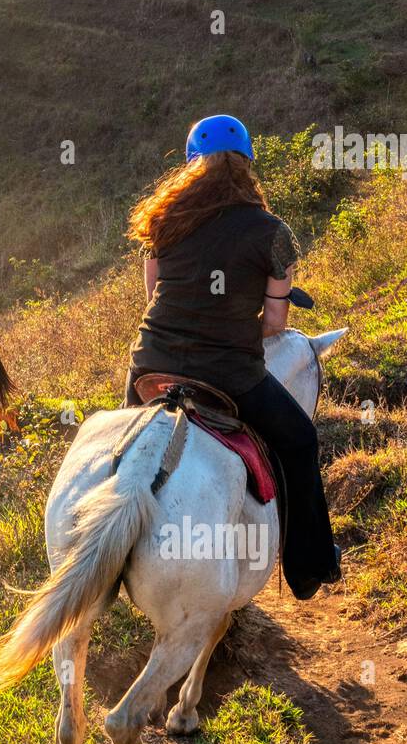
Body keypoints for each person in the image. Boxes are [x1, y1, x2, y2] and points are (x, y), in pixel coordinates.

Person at [125, 114, 342, 600]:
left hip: (150, 361)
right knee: (301, 441)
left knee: (124, 447)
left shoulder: (161, 220)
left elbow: (153, 293)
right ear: (246, 165)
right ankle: (310, 568)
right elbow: (275, 324)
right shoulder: (273, 232)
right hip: (228, 374)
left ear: (190, 166)